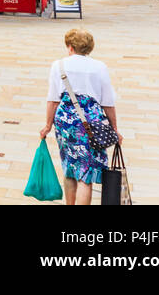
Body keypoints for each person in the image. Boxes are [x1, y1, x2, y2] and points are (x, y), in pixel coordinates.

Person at [40, 28, 120, 206]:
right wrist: (115, 128)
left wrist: (47, 125)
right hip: (92, 123)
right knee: (86, 174)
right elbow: (107, 101)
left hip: (66, 121)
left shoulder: (58, 65)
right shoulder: (99, 67)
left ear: (70, 47)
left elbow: (52, 100)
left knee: (70, 168)